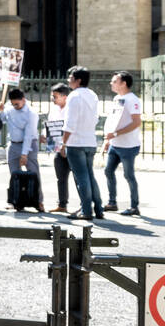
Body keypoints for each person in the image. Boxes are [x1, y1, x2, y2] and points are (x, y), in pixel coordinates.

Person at [61, 65, 104, 221]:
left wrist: (63, 143)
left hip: (76, 141)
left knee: (81, 178)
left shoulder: (74, 96)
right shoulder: (92, 94)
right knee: (90, 176)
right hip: (90, 140)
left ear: (78, 80)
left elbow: (70, 123)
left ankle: (86, 210)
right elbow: (96, 118)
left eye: (70, 78)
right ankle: (98, 208)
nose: (68, 80)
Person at [102, 71, 142, 216]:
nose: (111, 83)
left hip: (128, 145)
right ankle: (112, 202)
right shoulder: (117, 98)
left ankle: (134, 206)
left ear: (123, 83)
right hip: (115, 144)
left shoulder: (133, 100)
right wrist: (108, 140)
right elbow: (114, 120)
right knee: (108, 171)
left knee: (128, 175)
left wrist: (117, 134)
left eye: (114, 81)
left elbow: (136, 122)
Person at [0, 87, 44, 213]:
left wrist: (24, 154)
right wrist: (1, 111)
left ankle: (39, 201)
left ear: (23, 100)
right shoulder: (10, 108)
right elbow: (2, 120)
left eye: (17, 104)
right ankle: (16, 201)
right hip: (13, 144)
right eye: (13, 104)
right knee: (14, 174)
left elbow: (29, 135)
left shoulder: (31, 113)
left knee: (34, 173)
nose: (15, 106)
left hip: (29, 145)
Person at [43, 82, 71, 213]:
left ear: (64, 96)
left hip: (72, 148)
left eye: (55, 96)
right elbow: (49, 126)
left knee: (79, 178)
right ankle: (62, 204)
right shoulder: (54, 110)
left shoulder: (71, 109)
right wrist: (44, 136)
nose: (52, 99)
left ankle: (85, 205)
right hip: (57, 148)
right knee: (61, 177)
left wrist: (65, 145)